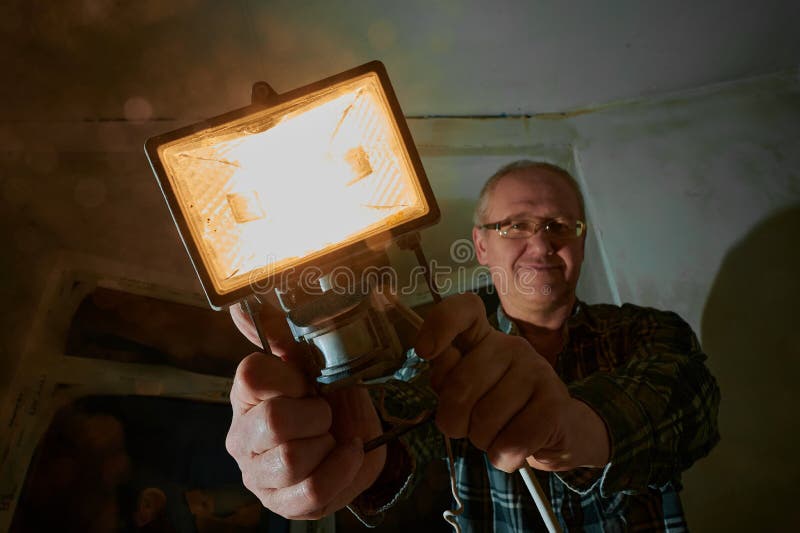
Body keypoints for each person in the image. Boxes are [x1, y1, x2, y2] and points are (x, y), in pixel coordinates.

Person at [225, 160, 721, 531]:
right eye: (516, 225)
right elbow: (405, 404)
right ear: (481, 246)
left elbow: (689, 405)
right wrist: (336, 443)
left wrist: (569, 425)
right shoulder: (442, 342)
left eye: (560, 226)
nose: (542, 243)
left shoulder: (647, 331)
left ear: (583, 241)